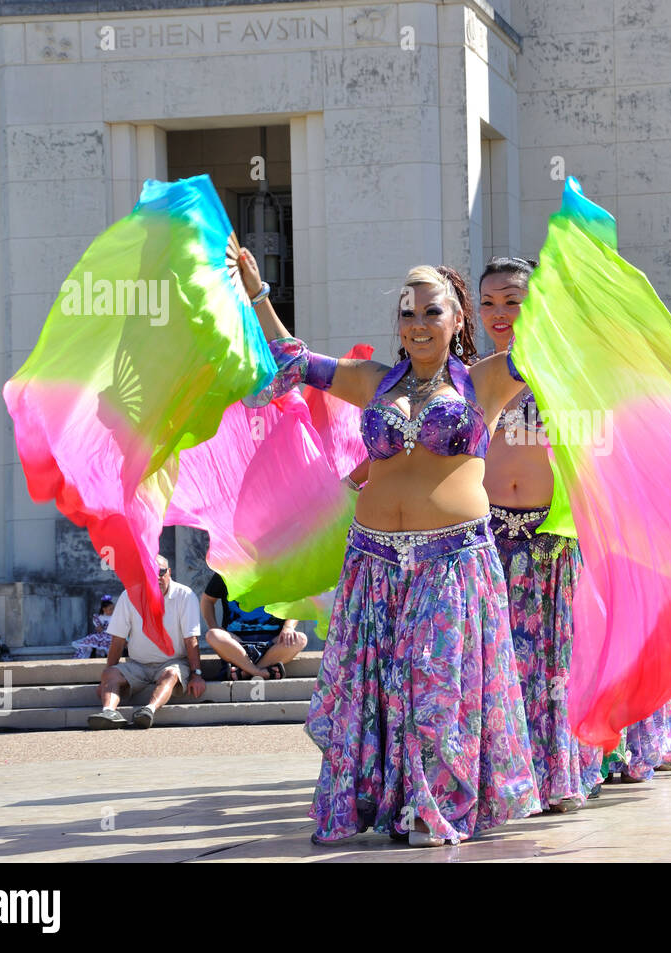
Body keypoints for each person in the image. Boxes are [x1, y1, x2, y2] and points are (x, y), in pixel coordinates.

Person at [237, 249, 539, 847]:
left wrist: (557, 284)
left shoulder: (488, 379)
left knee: (434, 686)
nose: (417, 323)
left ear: (456, 320)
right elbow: (295, 359)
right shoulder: (374, 381)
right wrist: (257, 294)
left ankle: (434, 808)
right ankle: (379, 803)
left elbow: (557, 343)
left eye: (431, 311)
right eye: (407, 313)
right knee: (375, 691)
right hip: (374, 564)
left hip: (451, 561)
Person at [481, 256, 601, 812]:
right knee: (498, 663)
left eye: (512, 300)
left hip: (551, 539)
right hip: (487, 540)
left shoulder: (567, 372)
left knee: (552, 664)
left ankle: (556, 779)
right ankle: (501, 780)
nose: (499, 313)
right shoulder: (476, 377)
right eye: (488, 303)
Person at [88, 555, 204, 730]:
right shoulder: (128, 596)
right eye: (150, 573)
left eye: (161, 572)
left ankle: (149, 710)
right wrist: (106, 677)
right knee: (110, 674)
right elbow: (118, 640)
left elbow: (191, 639)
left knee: (171, 674)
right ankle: (108, 712)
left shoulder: (185, 595)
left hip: (172, 661)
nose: (156, 577)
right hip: (137, 664)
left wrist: (196, 675)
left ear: (169, 572)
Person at [201, 571, 306, 681]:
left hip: (273, 644)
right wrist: (215, 626)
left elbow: (296, 602)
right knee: (213, 634)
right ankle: (261, 672)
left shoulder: (281, 567)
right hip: (236, 644)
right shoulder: (227, 569)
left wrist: (288, 627)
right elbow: (207, 600)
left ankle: (246, 672)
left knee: (300, 639)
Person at [71, 594, 117, 659]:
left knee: (107, 640)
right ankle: (92, 656)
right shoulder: (98, 617)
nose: (112, 610)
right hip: (103, 633)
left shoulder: (115, 617)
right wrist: (100, 628)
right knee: (93, 638)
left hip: (112, 634)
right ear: (104, 609)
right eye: (110, 609)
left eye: (113, 608)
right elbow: (99, 629)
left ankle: (108, 656)